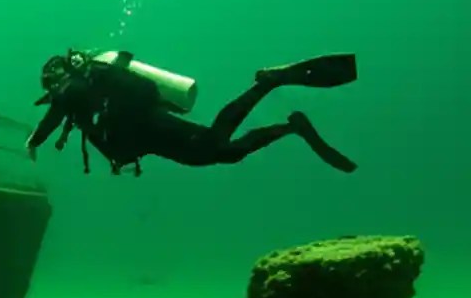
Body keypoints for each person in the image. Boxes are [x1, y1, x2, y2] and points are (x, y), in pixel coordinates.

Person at [25, 50, 358, 175]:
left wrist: (34, 141)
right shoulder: (80, 89)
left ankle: (271, 88)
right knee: (219, 149)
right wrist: (35, 140)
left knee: (216, 147)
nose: (53, 91)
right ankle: (289, 124)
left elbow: (54, 116)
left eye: (51, 85)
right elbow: (56, 117)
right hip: (146, 132)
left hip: (147, 128)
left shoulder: (70, 92)